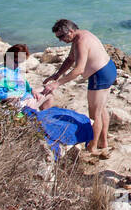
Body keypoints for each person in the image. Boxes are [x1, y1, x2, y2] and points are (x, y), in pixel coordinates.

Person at [41, 20, 115, 156]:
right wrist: (57, 75)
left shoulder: (81, 41)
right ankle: (103, 142)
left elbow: (79, 69)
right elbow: (70, 59)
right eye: (58, 38)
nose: (61, 40)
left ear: (70, 31)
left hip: (99, 75)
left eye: (61, 37)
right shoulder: (79, 36)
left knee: (94, 115)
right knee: (101, 108)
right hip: (107, 69)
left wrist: (57, 84)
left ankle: (92, 147)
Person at [0, 44, 52, 111]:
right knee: (49, 95)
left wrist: (32, 90)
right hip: (20, 103)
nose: (17, 65)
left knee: (46, 89)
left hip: (22, 96)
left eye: (20, 62)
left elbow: (24, 85)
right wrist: (8, 96)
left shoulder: (14, 69)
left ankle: (40, 115)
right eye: (16, 62)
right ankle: (43, 118)